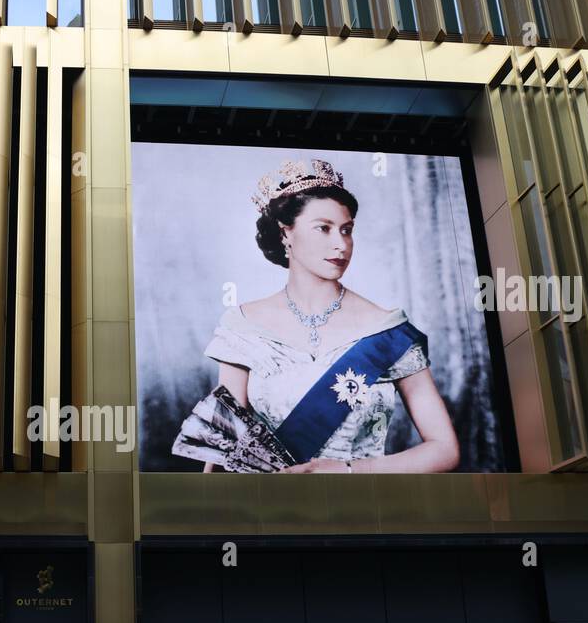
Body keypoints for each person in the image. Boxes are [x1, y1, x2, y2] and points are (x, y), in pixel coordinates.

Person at [174, 158, 460, 474]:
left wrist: (348, 470)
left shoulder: (388, 329)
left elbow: (444, 449)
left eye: (347, 230)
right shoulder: (242, 327)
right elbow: (224, 447)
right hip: (268, 513)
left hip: (367, 510)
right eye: (323, 228)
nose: (341, 244)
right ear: (286, 234)